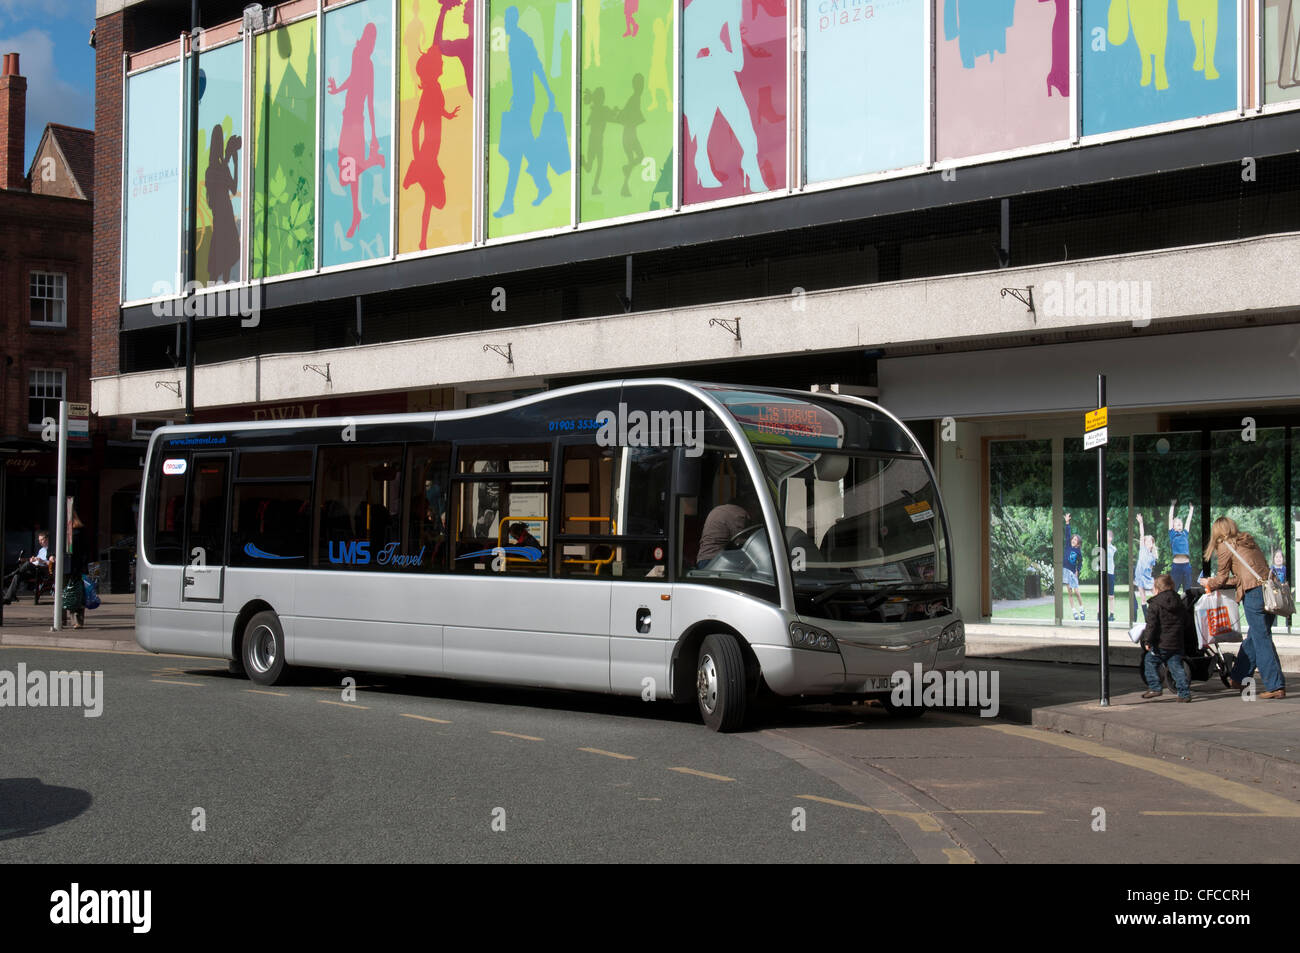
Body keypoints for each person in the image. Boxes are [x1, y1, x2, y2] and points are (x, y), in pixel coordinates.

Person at [1199, 517, 1286, 699]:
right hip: (1268, 592)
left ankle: (1275, 685)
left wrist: (1209, 582)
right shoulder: (1247, 540)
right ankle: (1238, 677)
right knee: (1255, 637)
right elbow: (1243, 575)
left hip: (1254, 594)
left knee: (1261, 639)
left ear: (1217, 531)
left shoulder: (1225, 545)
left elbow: (1222, 578)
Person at [1139, 573, 1193, 702]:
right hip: (1176, 642)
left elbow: (1151, 625)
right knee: (1177, 668)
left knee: (1149, 661)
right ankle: (1184, 694)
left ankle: (1155, 687)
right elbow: (1187, 622)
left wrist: (1147, 640)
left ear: (1157, 589)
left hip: (1161, 643)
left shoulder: (1155, 604)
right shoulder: (1179, 602)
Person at [696, 493, 758, 565]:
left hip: (702, 558)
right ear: (749, 506)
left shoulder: (717, 509)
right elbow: (739, 542)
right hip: (718, 561)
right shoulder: (739, 513)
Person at [1168, 499, 1195, 593]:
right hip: (1176, 566)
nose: (1179, 523)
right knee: (1174, 590)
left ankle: (1187, 607)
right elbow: (1170, 517)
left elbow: (1188, 521)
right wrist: (1172, 505)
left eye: (1180, 522)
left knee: (1187, 591)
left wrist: (1191, 510)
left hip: (1186, 566)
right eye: (1176, 522)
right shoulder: (1172, 534)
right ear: (1173, 526)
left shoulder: (1185, 533)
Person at [1063, 513, 1084, 620]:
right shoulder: (1067, 546)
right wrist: (1067, 522)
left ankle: (1081, 609)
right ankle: (1074, 611)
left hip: (1072, 573)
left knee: (1076, 592)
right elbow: (1067, 534)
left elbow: (1080, 562)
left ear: (1078, 544)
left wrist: (1078, 570)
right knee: (1070, 592)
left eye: (1075, 540)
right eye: (1073, 539)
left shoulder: (1078, 551)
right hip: (1065, 571)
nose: (1073, 540)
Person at [1133, 514, 1157, 607]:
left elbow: (1151, 568)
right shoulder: (1142, 549)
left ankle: (1156, 609)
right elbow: (1141, 534)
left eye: (1149, 542)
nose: (1147, 543)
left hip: (1147, 577)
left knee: (1155, 594)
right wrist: (1141, 523)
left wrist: (1149, 574)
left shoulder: (1152, 556)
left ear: (1152, 544)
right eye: (1146, 541)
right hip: (1139, 576)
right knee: (1143, 598)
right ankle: (1146, 616)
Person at [1106, 527, 1118, 621]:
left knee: (1111, 595)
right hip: (1103, 572)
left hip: (1110, 573)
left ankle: (1111, 614)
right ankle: (1100, 614)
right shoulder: (1102, 547)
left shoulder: (1113, 548)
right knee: (1102, 595)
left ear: (1110, 538)